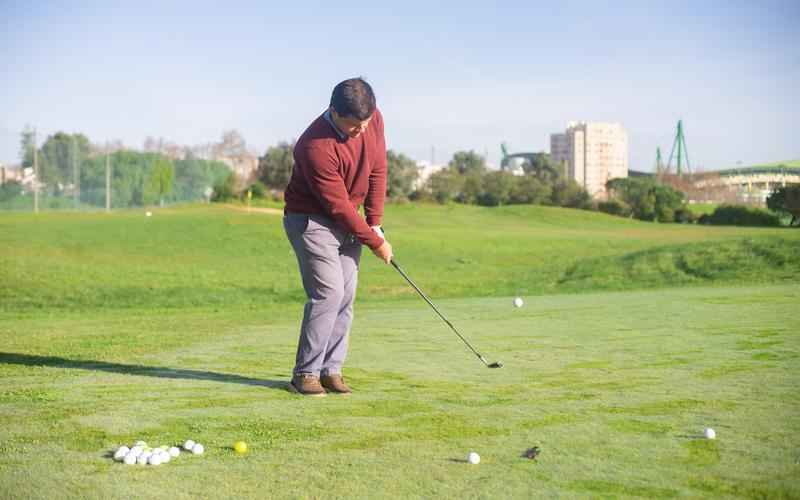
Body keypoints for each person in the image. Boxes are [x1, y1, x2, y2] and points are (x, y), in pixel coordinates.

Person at [283, 77, 393, 397]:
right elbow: (338, 207)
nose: (360, 132)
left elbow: (378, 169)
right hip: (311, 220)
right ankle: (304, 374)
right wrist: (376, 242)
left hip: (349, 221)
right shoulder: (314, 145)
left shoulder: (373, 119)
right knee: (329, 293)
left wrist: (375, 223)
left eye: (365, 124)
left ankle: (331, 370)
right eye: (352, 126)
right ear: (333, 111)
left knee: (346, 295)